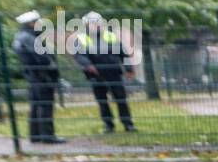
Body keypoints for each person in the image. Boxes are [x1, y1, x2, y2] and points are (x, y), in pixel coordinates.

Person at [76, 11, 136, 133]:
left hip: (114, 73)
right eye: (93, 23)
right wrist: (88, 65)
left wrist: (129, 68)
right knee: (102, 101)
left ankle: (128, 124)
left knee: (121, 99)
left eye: (98, 22)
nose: (97, 25)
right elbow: (79, 55)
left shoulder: (110, 36)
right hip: (96, 75)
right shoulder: (81, 38)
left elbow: (123, 53)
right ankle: (109, 125)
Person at [11, 10, 64, 144]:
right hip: (42, 76)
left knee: (36, 106)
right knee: (45, 106)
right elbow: (41, 56)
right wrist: (50, 67)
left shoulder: (21, 36)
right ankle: (48, 135)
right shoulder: (30, 38)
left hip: (33, 76)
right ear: (31, 23)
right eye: (37, 22)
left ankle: (35, 135)